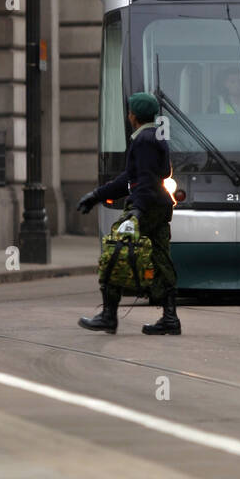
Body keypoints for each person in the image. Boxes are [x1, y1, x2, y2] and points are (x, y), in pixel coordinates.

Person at [76, 92, 181, 335]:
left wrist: (136, 212)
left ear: (132, 115)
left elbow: (142, 179)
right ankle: (170, 318)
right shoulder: (155, 135)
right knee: (161, 259)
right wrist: (97, 195)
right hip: (158, 205)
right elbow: (134, 177)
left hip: (146, 207)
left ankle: (109, 316)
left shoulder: (143, 139)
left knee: (116, 251)